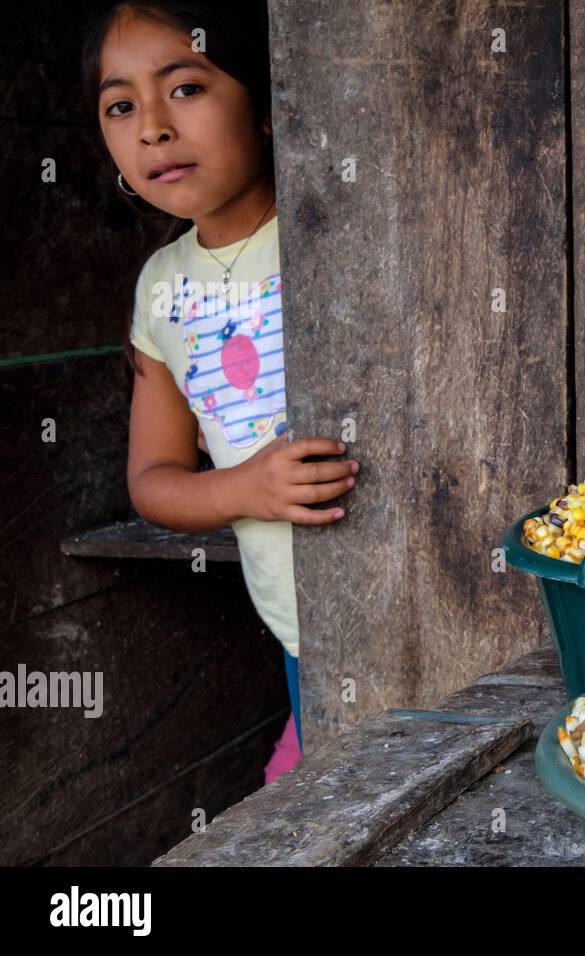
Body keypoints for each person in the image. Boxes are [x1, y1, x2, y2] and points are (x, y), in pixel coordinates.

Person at [82, 1, 359, 782]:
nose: (153, 129)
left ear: (268, 107)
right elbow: (153, 480)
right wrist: (247, 487)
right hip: (304, 634)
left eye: (188, 89)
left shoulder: (343, 226)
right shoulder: (160, 288)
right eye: (121, 106)